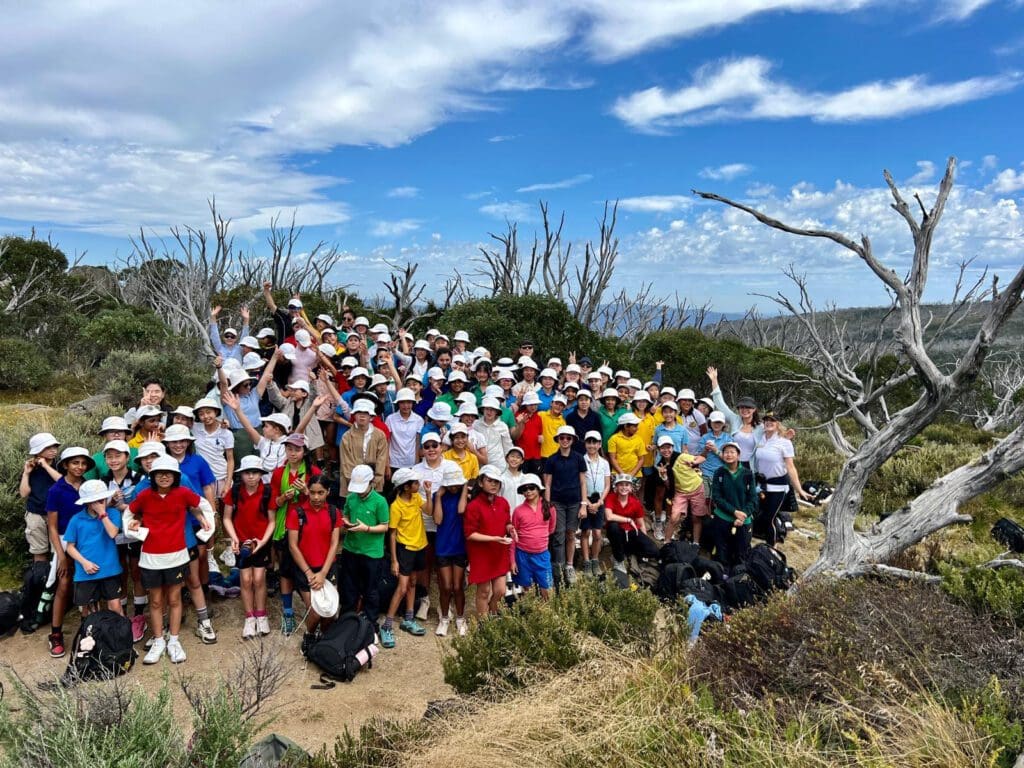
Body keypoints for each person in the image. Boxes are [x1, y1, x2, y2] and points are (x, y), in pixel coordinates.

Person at [126, 455, 211, 664]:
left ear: (176, 476)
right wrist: (135, 526)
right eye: (159, 474)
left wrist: (205, 522)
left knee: (174, 599)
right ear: (152, 476)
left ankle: (174, 640)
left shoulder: (183, 493)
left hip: (177, 555)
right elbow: (131, 513)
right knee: (155, 601)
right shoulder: (144, 495)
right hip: (150, 558)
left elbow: (201, 505)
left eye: (168, 473)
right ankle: (158, 640)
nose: (164, 477)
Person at [268, 433, 322, 635]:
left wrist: (307, 493)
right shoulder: (278, 473)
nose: (292, 453)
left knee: (307, 567)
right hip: (284, 527)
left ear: (304, 451)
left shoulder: (313, 472)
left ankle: (314, 610)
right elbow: (273, 503)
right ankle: (288, 612)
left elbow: (322, 503)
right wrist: (283, 497)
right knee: (286, 570)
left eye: (297, 449)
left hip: (307, 528)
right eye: (289, 448)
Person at [44, 446, 94, 658]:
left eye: (83, 463)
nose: (80, 467)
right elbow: (53, 527)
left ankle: (87, 628)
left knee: (86, 583)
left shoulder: (88, 487)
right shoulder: (56, 490)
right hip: (65, 540)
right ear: (65, 465)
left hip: (87, 539)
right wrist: (62, 556)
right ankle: (55, 633)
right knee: (64, 584)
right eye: (75, 463)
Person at [287, 475, 342, 656]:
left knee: (330, 611)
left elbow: (334, 544)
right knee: (316, 610)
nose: (316, 497)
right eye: (312, 492)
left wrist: (323, 573)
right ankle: (309, 635)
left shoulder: (334, 512)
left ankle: (325, 640)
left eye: (321, 493)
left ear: (328, 492)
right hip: (306, 568)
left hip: (327, 567)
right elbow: (293, 545)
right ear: (307, 491)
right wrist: (310, 572)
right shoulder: (297, 513)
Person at [222, 455, 276, 639]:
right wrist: (234, 539)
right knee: (245, 579)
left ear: (261, 474)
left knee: (259, 578)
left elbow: (271, 521)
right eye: (247, 473)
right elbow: (227, 517)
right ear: (241, 474)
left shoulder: (267, 492)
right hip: (242, 541)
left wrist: (263, 541)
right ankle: (249, 617)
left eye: (255, 473)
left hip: (260, 542)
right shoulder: (235, 492)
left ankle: (261, 615)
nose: (251, 477)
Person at [382, 468, 429, 648]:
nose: (418, 485)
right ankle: (387, 625)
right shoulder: (396, 507)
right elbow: (392, 534)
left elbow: (430, 511)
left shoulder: (417, 498)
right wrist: (394, 560)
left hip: (419, 545)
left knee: (413, 582)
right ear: (406, 487)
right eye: (415, 483)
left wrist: (430, 493)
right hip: (404, 549)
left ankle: (408, 619)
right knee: (402, 587)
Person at [338, 465, 390, 627]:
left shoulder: (380, 501)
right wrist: (346, 522)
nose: (359, 491)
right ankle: (346, 621)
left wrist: (366, 528)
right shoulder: (351, 498)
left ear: (371, 482)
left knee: (371, 590)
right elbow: (345, 513)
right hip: (351, 548)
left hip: (372, 553)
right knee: (348, 588)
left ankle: (370, 622)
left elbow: (385, 526)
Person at [63, 479, 123, 617]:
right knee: (88, 611)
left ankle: (119, 635)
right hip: (86, 572)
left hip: (110, 569)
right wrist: (84, 563)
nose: (98, 502)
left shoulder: (112, 514)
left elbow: (113, 533)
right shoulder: (76, 519)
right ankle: (90, 637)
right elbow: (70, 547)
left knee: (115, 607)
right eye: (93, 500)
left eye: (101, 499)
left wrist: (102, 513)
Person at [754, 413, 810, 545]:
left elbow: (790, 467)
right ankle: (764, 544)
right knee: (761, 516)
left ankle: (772, 548)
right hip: (761, 486)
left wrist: (799, 490)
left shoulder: (784, 443)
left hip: (778, 487)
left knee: (769, 518)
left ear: (778, 423)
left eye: (772, 421)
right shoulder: (760, 438)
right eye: (766, 420)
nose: (769, 422)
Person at [463, 466, 512, 617]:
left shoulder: (503, 503)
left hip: (499, 552)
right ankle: (484, 624)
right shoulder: (473, 506)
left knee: (501, 591)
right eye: (489, 480)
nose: (493, 484)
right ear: (481, 482)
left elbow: (507, 522)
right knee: (483, 591)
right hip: (481, 553)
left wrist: (510, 528)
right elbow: (470, 534)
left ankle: (493, 609)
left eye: (496, 481)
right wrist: (494, 538)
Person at [542, 425, 587, 587]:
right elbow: (547, 484)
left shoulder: (579, 458)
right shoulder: (552, 460)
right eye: (562, 438)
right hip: (557, 503)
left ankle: (569, 565)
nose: (565, 441)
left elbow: (583, 482)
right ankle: (558, 568)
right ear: (558, 440)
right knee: (558, 535)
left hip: (574, 502)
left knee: (570, 534)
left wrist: (583, 504)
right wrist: (547, 504)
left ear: (573, 440)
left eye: (568, 438)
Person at [431, 465, 469, 637]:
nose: (453, 487)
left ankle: (461, 619)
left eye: (456, 484)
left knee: (458, 586)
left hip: (460, 546)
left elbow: (461, 510)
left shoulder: (466, 497)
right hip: (443, 546)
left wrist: (463, 490)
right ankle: (444, 618)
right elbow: (438, 520)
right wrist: (438, 497)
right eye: (451, 484)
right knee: (445, 587)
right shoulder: (438, 496)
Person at [709, 443, 757, 567]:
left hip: (743, 520)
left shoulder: (747, 474)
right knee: (722, 552)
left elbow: (753, 499)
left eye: (732, 452)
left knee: (741, 554)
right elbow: (717, 497)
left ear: (738, 455)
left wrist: (744, 514)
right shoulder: (719, 473)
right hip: (723, 517)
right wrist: (734, 512)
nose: (729, 455)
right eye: (726, 452)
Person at [20, 433, 61, 578]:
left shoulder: (60, 464)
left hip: (56, 513)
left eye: (54, 446)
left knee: (58, 550)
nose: (53, 450)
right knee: (39, 551)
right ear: (38, 450)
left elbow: (63, 483)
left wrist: (46, 466)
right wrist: (26, 473)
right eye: (48, 447)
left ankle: (55, 584)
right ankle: (40, 581)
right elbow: (24, 493)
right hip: (36, 513)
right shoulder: (31, 467)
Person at [509, 474, 555, 599]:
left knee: (547, 588)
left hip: (542, 554)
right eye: (524, 489)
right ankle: (532, 614)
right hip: (522, 555)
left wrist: (538, 539)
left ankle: (547, 615)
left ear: (538, 489)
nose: (528, 491)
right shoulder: (518, 511)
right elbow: (514, 536)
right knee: (527, 589)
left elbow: (551, 529)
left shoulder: (549, 508)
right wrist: (512, 561)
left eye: (531, 488)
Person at [605, 474, 659, 575]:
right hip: (617, 532)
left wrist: (644, 539)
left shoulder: (635, 502)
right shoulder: (610, 497)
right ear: (616, 487)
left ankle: (627, 552)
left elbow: (641, 523)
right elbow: (609, 516)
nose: (624, 487)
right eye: (621, 485)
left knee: (654, 551)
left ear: (631, 488)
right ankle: (619, 559)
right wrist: (628, 520)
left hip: (631, 532)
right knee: (613, 526)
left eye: (627, 485)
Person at [658, 436, 707, 545]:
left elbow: (702, 458)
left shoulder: (682, 457)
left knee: (696, 517)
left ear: (672, 447)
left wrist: (695, 462)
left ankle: (696, 543)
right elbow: (669, 486)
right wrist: (664, 476)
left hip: (697, 488)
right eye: (663, 448)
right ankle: (667, 543)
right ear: (658, 449)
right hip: (680, 492)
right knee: (674, 518)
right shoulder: (661, 465)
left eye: (668, 447)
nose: (666, 450)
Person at [338, 400, 389, 501]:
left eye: (366, 413)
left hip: (374, 484)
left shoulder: (380, 435)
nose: (362, 416)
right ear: (354, 415)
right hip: (351, 484)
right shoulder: (346, 437)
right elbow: (346, 463)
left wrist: (373, 482)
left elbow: (381, 460)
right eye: (359, 412)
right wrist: (356, 483)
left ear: (371, 417)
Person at [580, 430, 610, 575]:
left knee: (597, 533)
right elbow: (580, 483)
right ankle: (586, 561)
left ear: (599, 445)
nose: (591, 445)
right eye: (589, 442)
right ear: (585, 444)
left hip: (599, 500)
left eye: (595, 442)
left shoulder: (604, 463)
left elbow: (607, 485)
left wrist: (600, 502)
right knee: (585, 531)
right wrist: (586, 502)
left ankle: (595, 559)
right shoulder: (581, 460)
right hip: (585, 500)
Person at [192, 397, 235, 495]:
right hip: (202, 477)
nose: (205, 416)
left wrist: (228, 484)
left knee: (224, 507)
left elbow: (230, 459)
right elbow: (182, 419)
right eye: (201, 414)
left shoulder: (226, 433)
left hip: (221, 476)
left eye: (208, 412)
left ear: (216, 412)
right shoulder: (195, 428)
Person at [385, 388, 425, 474]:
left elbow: (417, 443)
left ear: (412, 403)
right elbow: (387, 442)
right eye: (402, 402)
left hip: (411, 462)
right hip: (394, 462)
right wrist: (387, 465)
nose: (406, 406)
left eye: (409, 402)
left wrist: (417, 464)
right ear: (398, 403)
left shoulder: (418, 420)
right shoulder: (390, 419)